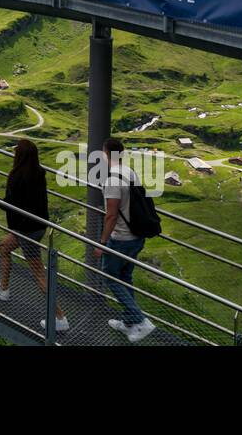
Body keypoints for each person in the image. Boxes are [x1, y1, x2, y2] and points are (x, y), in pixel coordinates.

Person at [0, 140, 69, 334]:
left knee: (39, 273)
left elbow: (9, 205)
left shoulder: (17, 177)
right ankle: (3, 289)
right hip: (37, 226)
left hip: (26, 230)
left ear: (19, 156)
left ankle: (60, 318)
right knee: (4, 247)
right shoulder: (38, 173)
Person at [94, 137, 155, 342]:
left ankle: (141, 320)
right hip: (137, 237)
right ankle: (129, 323)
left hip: (120, 238)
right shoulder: (130, 173)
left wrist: (101, 243)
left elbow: (111, 215)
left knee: (110, 276)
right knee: (125, 277)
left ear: (106, 154)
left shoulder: (112, 180)